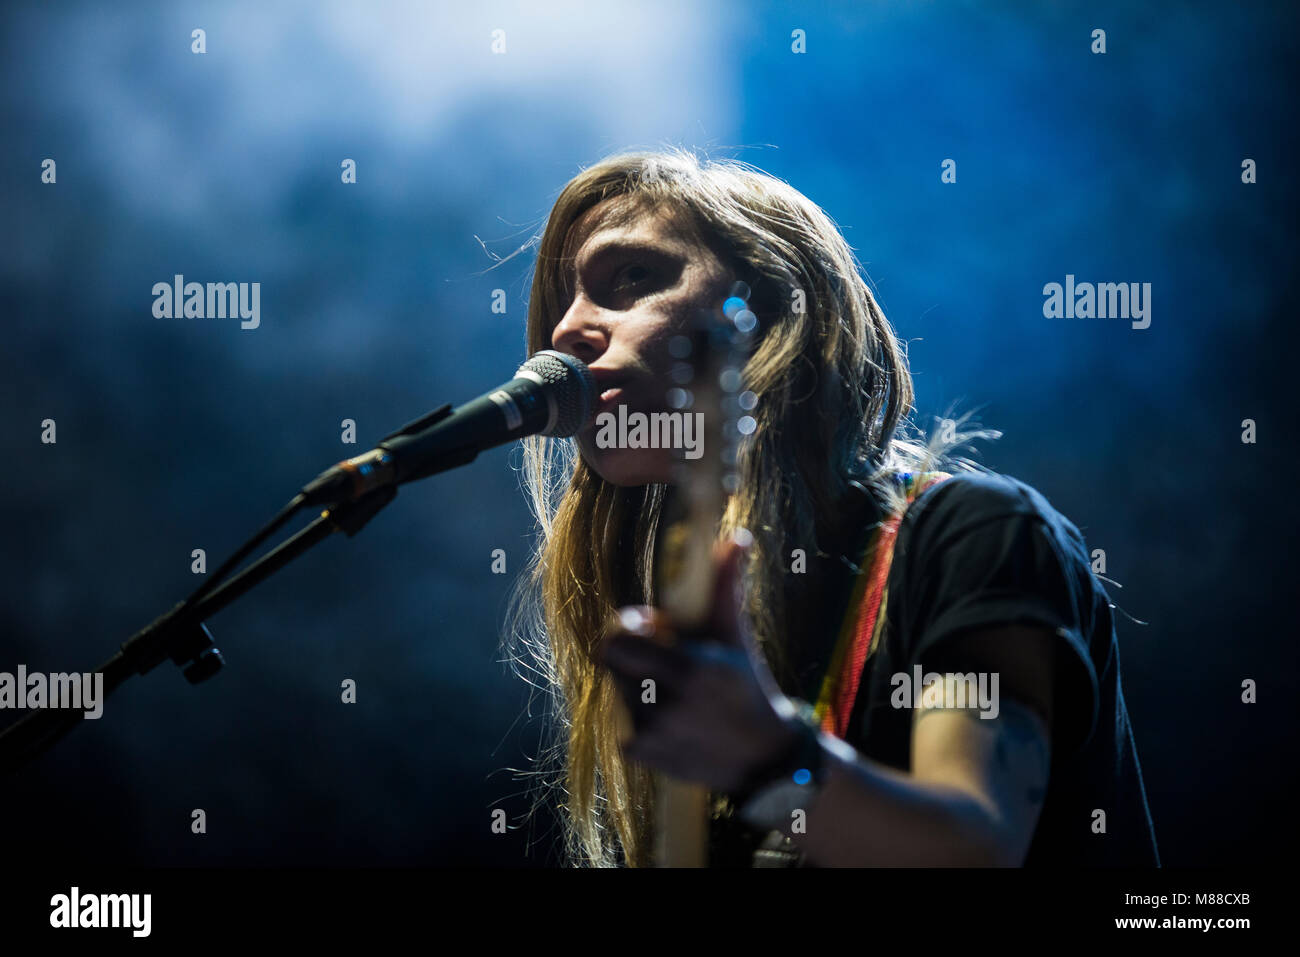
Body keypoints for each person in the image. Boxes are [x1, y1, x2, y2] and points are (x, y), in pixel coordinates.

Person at [507, 148, 1160, 868]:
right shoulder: (692, 619)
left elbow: (971, 847)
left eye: (632, 276)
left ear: (774, 305)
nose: (567, 329)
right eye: (560, 303)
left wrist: (763, 754)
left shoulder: (975, 535)